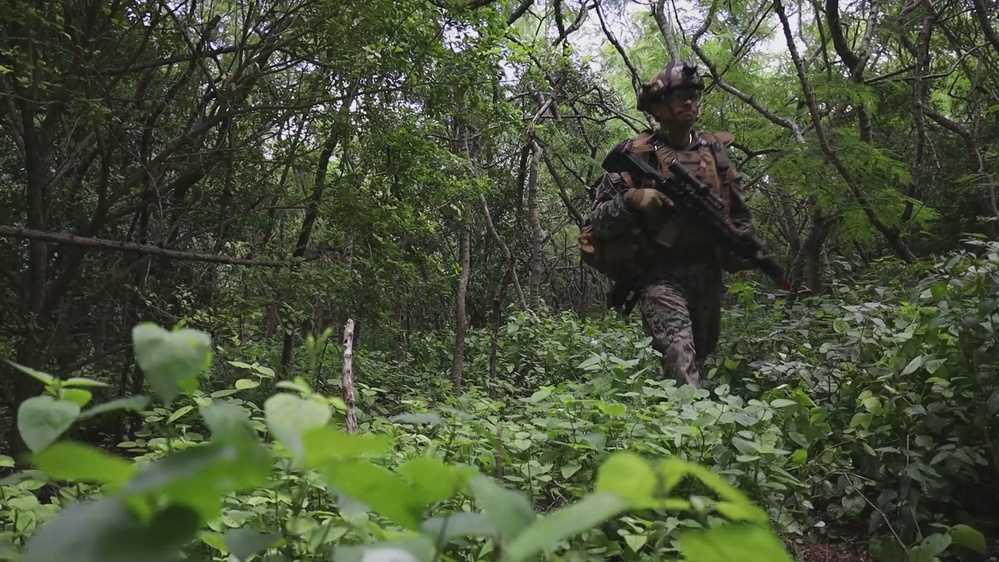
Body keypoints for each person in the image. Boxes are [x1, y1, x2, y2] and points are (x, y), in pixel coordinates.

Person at [587, 60, 759, 389]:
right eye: (680, 95)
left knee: (701, 353)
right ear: (656, 106)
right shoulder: (635, 158)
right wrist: (632, 200)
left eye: (695, 95)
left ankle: (684, 420)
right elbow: (596, 222)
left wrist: (743, 242)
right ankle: (696, 431)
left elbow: (739, 217)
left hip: (707, 276)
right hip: (659, 276)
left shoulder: (716, 157)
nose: (689, 102)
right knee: (680, 358)